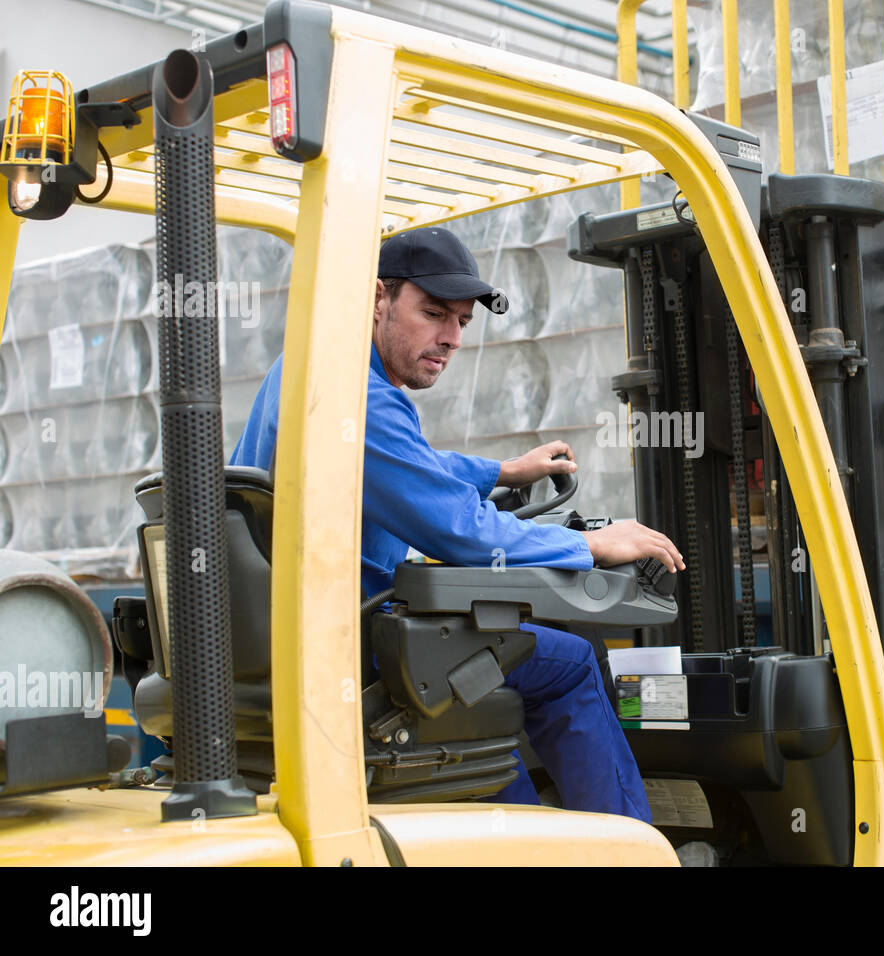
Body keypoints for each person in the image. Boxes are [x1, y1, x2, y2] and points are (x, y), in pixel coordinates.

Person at [230, 226, 684, 824]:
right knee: (572, 661)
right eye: (433, 313)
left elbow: (410, 468)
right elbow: (461, 532)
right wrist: (591, 544)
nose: (449, 338)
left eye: (462, 323)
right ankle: (633, 854)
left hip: (302, 645)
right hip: (363, 648)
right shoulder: (360, 399)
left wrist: (503, 469)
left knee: (488, 694)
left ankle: (520, 821)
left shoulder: (308, 370)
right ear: (376, 300)